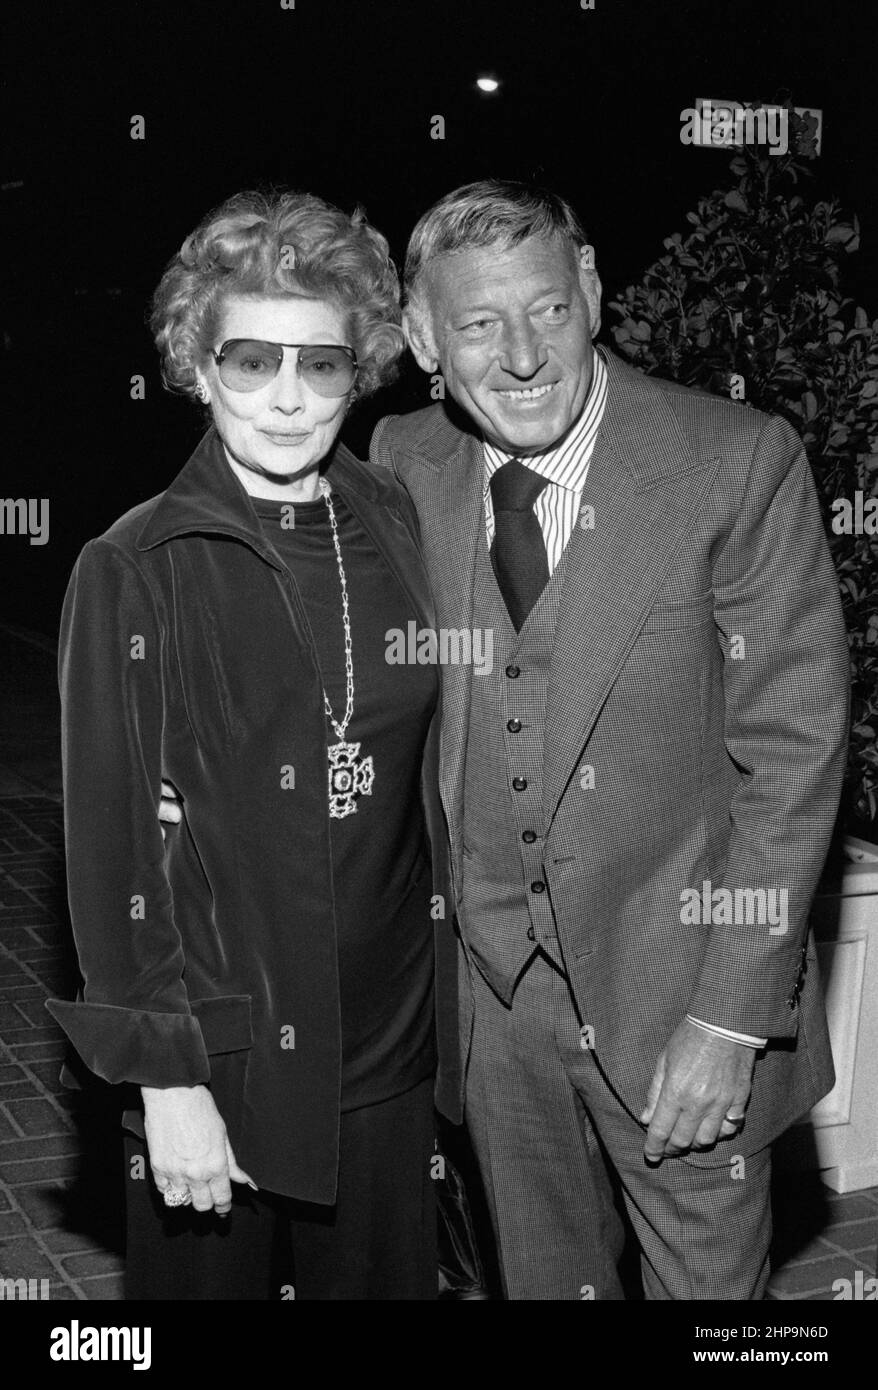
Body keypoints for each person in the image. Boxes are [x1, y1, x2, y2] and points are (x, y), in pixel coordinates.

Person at [365, 179, 849, 1299]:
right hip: (491, 1013)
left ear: (588, 290)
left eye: (543, 307)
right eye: (477, 324)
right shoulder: (403, 463)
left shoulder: (734, 460)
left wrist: (730, 1020)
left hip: (676, 998)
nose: (522, 354)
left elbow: (793, 758)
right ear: (424, 338)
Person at [47, 189, 460, 1301]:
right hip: (224, 1051)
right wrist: (168, 1086)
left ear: (360, 368)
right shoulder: (135, 563)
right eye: (249, 361)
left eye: (320, 365)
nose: (286, 397)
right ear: (196, 365)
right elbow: (114, 857)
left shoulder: (391, 515)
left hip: (390, 1041)